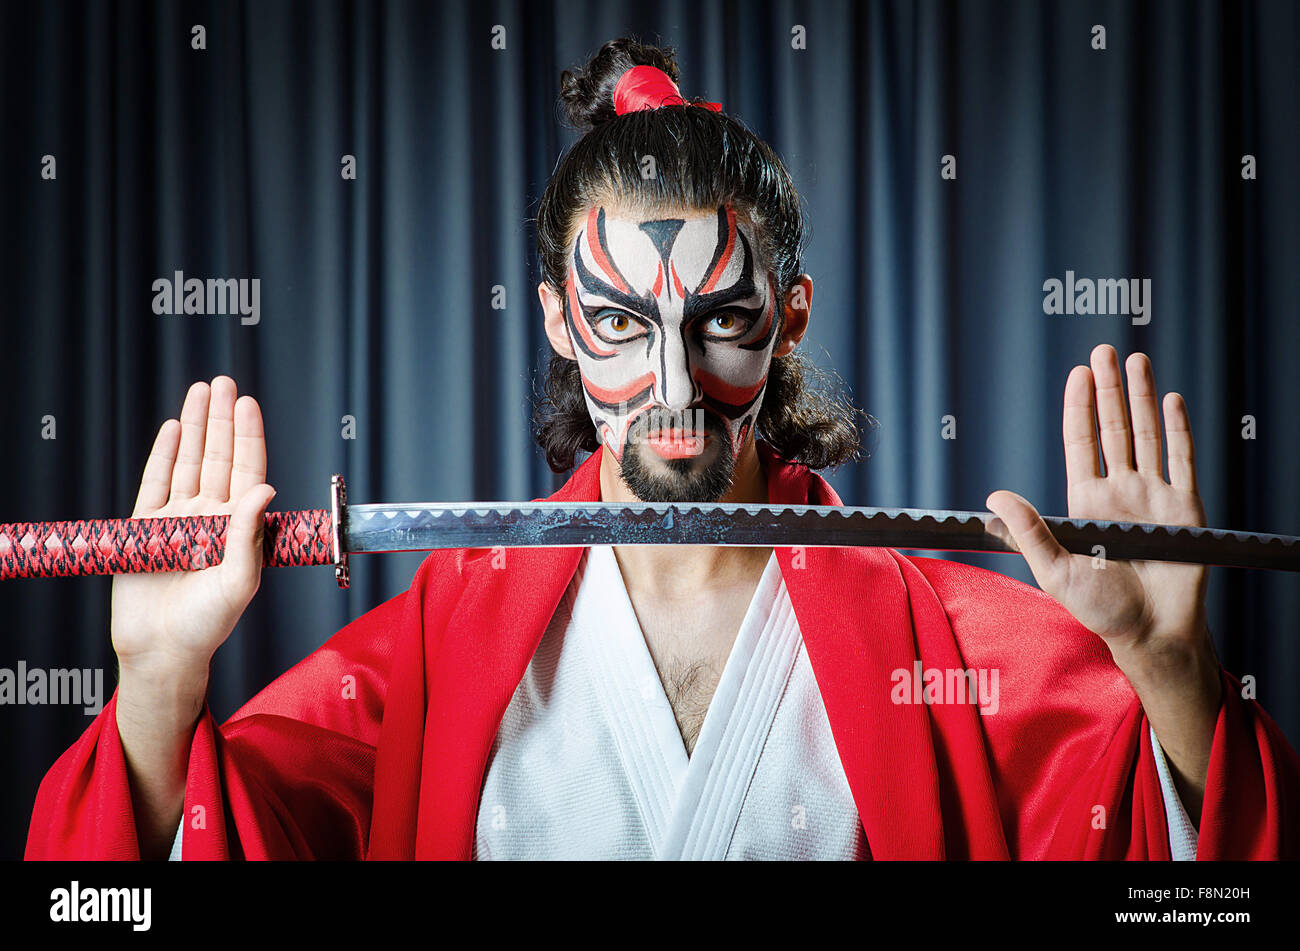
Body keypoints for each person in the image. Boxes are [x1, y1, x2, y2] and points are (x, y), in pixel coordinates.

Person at [27, 38, 1299, 861]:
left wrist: (1172, 671)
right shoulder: (438, 644)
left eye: (725, 320)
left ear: (789, 315)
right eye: (623, 325)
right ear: (557, 324)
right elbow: (112, 903)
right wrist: (157, 682)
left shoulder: (962, 653)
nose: (675, 387)